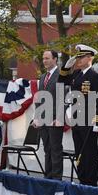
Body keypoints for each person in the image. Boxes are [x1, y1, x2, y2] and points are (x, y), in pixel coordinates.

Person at [58, 44, 98, 187]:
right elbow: (61, 81)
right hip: (77, 120)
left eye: (81, 56)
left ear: (90, 57)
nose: (78, 59)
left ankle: (90, 184)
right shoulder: (77, 75)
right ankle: (82, 181)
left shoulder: (95, 76)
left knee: (89, 154)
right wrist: (66, 68)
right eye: (77, 56)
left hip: (89, 121)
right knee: (79, 152)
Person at [34, 50, 64, 180]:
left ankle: (56, 179)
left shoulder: (61, 75)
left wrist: (59, 118)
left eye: (47, 58)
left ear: (55, 59)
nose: (44, 61)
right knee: (47, 150)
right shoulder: (42, 77)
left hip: (54, 120)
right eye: (43, 58)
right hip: (43, 120)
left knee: (55, 150)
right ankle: (48, 177)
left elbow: (63, 99)